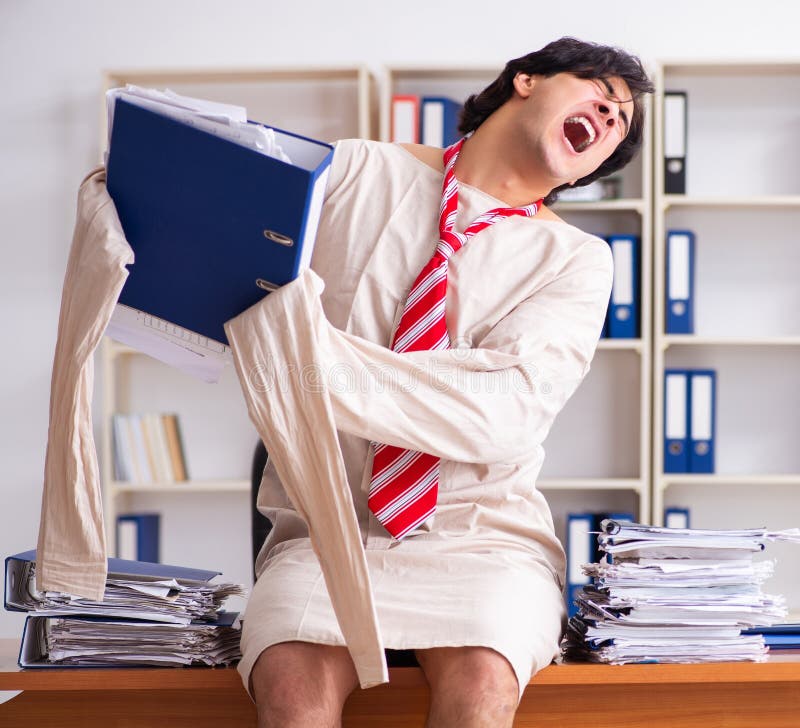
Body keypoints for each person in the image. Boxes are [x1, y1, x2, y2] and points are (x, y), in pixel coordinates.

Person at [242, 36, 654, 728]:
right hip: (325, 530)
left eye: (620, 126)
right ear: (526, 80)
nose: (611, 121)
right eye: (603, 95)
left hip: (484, 541)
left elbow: (505, 413)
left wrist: (311, 361)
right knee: (289, 692)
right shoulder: (358, 169)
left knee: (483, 687)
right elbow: (238, 277)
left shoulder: (577, 261)